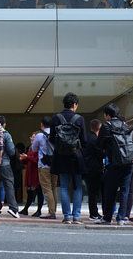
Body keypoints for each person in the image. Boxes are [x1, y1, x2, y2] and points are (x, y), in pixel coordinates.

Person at [50, 92, 88, 224]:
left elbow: (51, 139)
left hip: (61, 156)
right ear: (74, 104)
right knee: (78, 186)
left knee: (64, 187)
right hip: (76, 155)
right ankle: (76, 216)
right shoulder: (79, 119)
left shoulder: (56, 118)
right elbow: (84, 140)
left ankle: (66, 216)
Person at [98, 104, 133, 225]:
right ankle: (121, 217)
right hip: (129, 162)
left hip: (115, 162)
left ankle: (108, 217)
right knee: (125, 190)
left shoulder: (106, 126)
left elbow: (100, 144)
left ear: (108, 115)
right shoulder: (125, 125)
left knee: (110, 190)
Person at [30, 116, 58, 218]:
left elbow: (34, 149)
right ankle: (53, 210)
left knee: (47, 189)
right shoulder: (56, 134)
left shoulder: (40, 136)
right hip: (55, 164)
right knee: (53, 187)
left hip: (44, 165)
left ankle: (51, 212)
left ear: (42, 124)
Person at [0, 115, 20, 218]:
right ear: (4, 124)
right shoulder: (6, 135)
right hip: (4, 164)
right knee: (8, 185)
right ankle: (13, 208)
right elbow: (11, 151)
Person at [84, 118, 105, 221]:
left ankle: (94, 212)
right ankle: (94, 213)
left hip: (88, 167)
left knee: (92, 192)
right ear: (99, 127)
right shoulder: (95, 140)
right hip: (95, 168)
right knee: (94, 193)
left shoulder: (87, 137)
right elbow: (100, 154)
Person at [20, 132, 44, 216]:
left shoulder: (39, 149)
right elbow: (28, 161)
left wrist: (27, 157)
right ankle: (26, 209)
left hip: (36, 173)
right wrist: (23, 159)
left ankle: (39, 210)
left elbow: (37, 160)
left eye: (34, 137)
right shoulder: (30, 148)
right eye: (31, 137)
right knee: (29, 192)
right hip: (30, 172)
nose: (32, 139)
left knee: (38, 191)